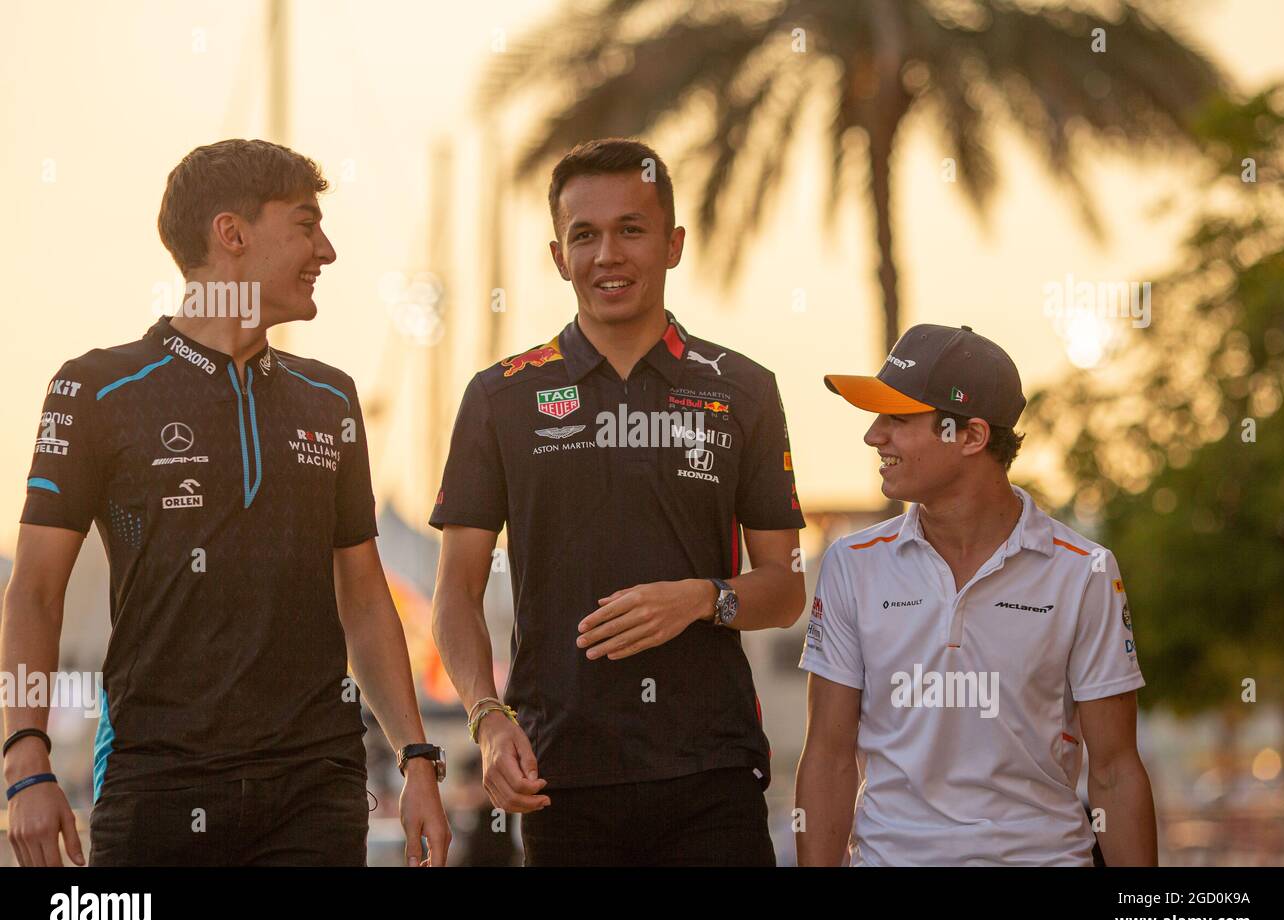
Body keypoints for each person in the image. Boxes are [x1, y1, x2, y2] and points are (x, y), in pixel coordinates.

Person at [2, 139, 450, 867]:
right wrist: (27, 760)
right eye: (306, 225)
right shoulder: (97, 390)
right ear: (232, 234)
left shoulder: (329, 395)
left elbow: (365, 600)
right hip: (157, 779)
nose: (327, 251)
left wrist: (419, 760)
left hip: (316, 787)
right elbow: (34, 594)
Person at [431, 138, 806, 866]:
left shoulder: (743, 390)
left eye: (631, 230)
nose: (608, 254)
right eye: (585, 235)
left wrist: (702, 598)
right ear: (557, 254)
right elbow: (454, 594)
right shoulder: (501, 396)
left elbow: (786, 588)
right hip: (561, 776)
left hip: (712, 771)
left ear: (673, 244)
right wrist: (487, 720)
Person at [796, 323, 1157, 866]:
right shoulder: (851, 566)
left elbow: (1113, 771)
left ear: (970, 436)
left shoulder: (1085, 572)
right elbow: (827, 757)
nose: (874, 436)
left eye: (898, 418)